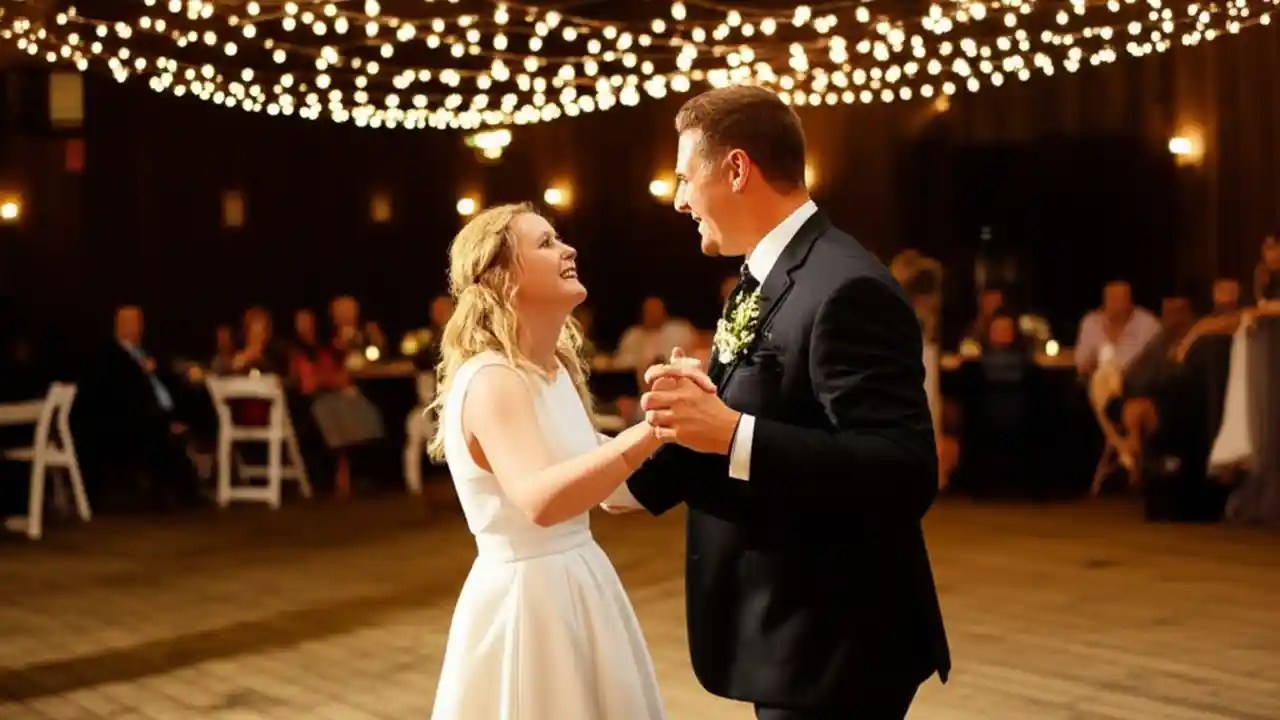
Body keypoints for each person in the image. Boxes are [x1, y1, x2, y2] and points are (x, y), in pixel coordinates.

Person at [608, 85, 951, 720]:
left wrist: (734, 432)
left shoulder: (847, 286)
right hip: (787, 631)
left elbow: (902, 470)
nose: (679, 198)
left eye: (685, 177)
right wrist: (607, 472)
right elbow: (741, 414)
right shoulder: (767, 272)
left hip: (837, 638)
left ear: (737, 169)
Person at [427, 203, 667, 720]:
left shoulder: (553, 372)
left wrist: (697, 434)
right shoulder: (492, 378)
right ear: (502, 276)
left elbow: (606, 488)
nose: (568, 250)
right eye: (545, 244)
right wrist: (653, 429)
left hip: (582, 579)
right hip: (527, 601)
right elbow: (541, 499)